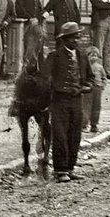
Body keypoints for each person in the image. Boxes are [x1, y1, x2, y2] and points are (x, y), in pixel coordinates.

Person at [43, 22, 92, 183]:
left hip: (76, 100)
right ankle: (60, 170)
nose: (76, 40)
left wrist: (86, 87)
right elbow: (44, 79)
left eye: (77, 37)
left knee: (74, 135)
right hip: (59, 101)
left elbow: (90, 78)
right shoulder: (55, 57)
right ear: (64, 40)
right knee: (60, 135)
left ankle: (70, 168)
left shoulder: (82, 56)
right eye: (72, 38)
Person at [82, 46, 107, 134]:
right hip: (88, 89)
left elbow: (104, 78)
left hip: (97, 88)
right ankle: (84, 124)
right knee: (86, 107)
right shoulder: (84, 67)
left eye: (96, 56)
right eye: (91, 55)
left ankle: (94, 124)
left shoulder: (100, 67)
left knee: (96, 107)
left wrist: (102, 85)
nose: (94, 58)